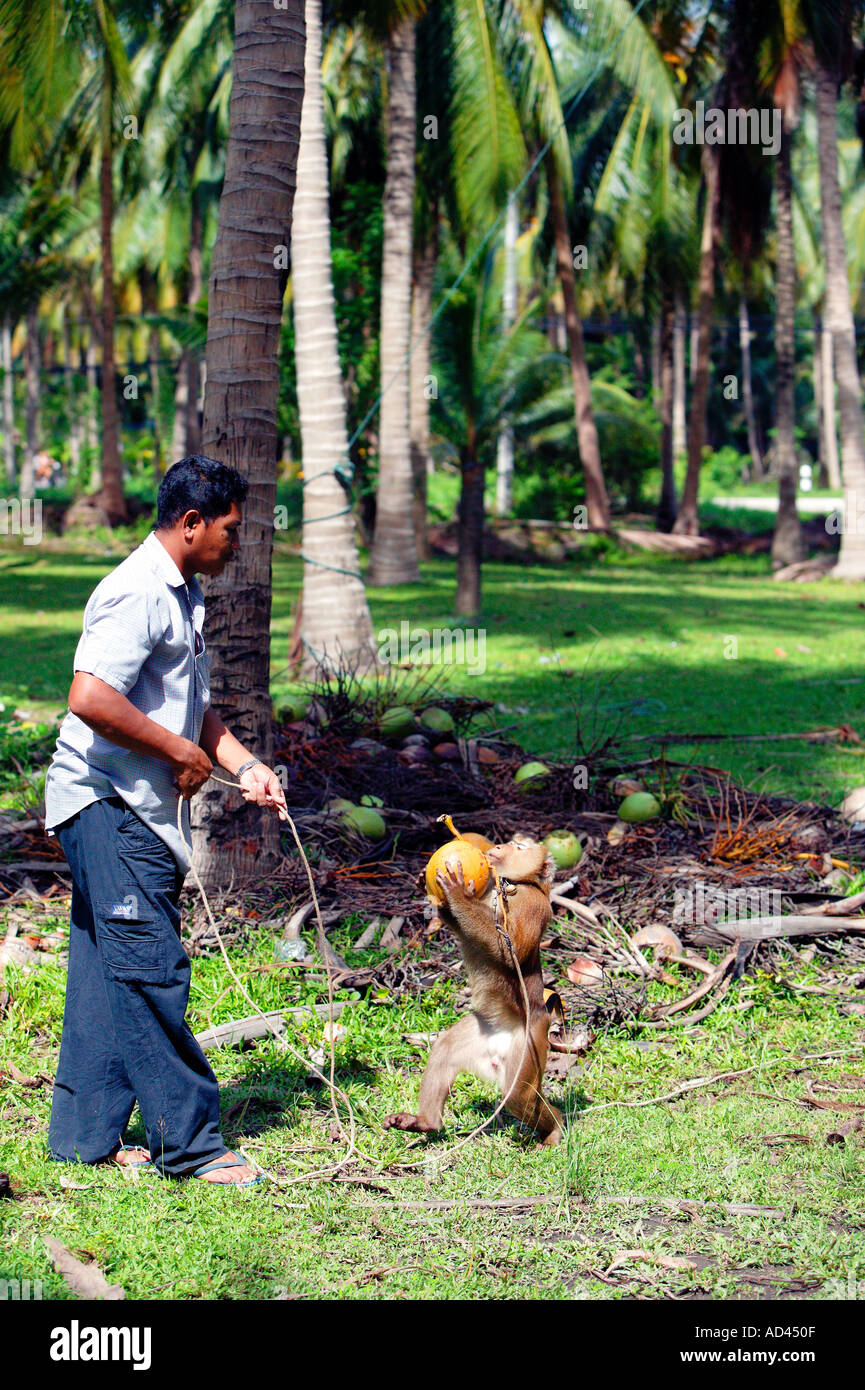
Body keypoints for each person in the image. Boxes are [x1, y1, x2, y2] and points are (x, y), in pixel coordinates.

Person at [43, 455, 288, 1187]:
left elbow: (188, 707)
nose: (236, 545)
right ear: (190, 524)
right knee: (151, 969)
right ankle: (192, 1145)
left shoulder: (181, 595)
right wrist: (178, 751)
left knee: (103, 971)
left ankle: (84, 1138)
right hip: (109, 806)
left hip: (131, 811)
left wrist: (243, 766)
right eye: (229, 531)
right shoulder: (137, 591)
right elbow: (90, 696)